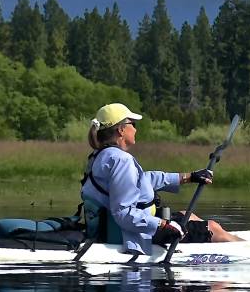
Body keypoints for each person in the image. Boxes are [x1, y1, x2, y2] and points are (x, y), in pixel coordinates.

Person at [81, 102, 236, 253]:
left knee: (190, 216)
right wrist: (162, 225)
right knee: (213, 228)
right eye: (133, 124)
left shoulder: (101, 156)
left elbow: (143, 181)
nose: (135, 129)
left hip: (123, 226)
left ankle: (240, 243)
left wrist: (189, 177)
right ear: (121, 130)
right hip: (133, 234)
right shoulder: (121, 160)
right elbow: (123, 212)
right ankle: (247, 250)